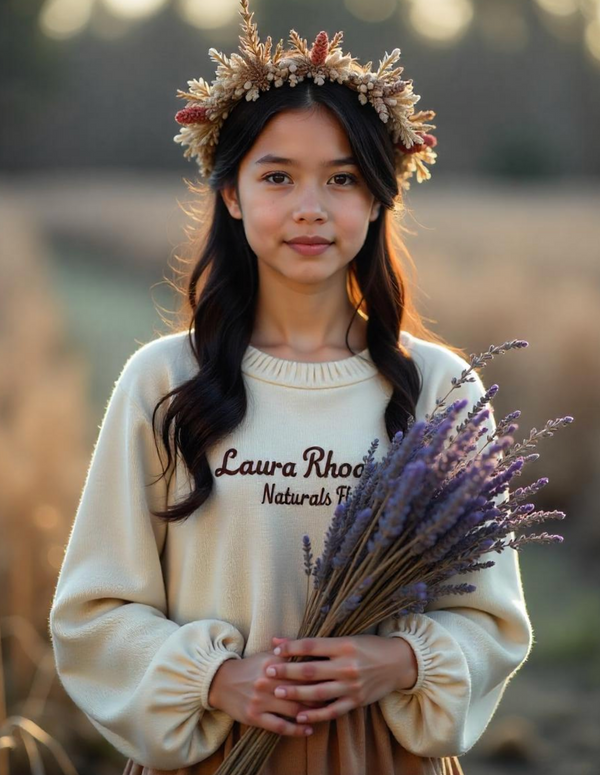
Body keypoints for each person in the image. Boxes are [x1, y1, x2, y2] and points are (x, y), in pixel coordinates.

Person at [48, 2, 534, 774]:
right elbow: (93, 610)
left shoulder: (442, 390)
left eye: (343, 178)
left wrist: (396, 662)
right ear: (232, 193)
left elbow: (492, 615)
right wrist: (215, 678)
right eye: (278, 176)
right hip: (213, 753)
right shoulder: (164, 383)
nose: (312, 207)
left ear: (377, 197)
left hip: (380, 756)